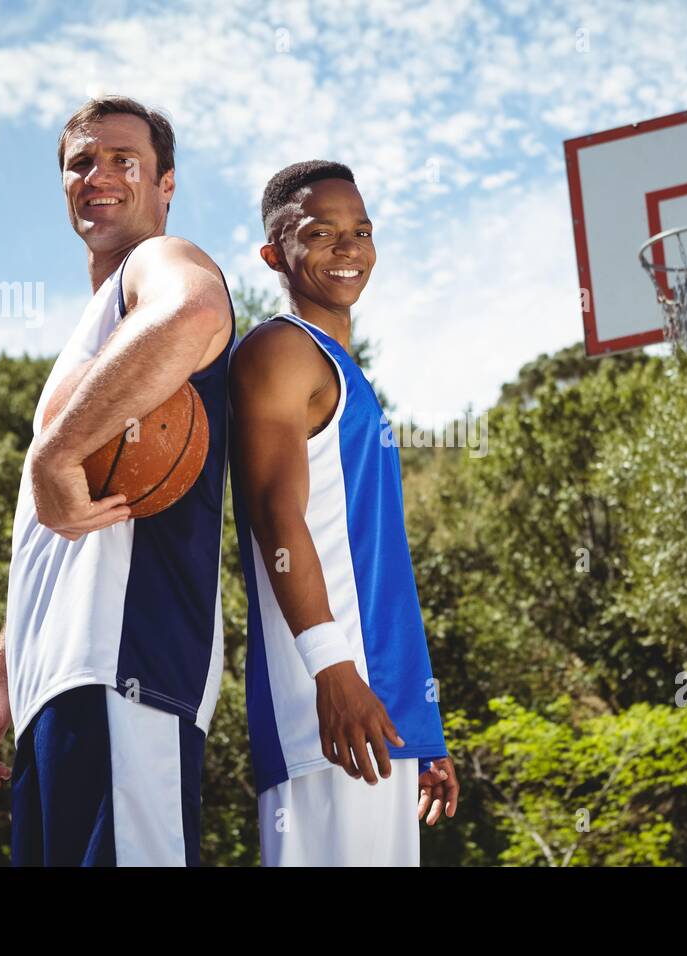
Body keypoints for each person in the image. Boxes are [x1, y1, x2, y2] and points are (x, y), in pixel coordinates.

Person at [0, 96, 234, 866]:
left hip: (130, 669)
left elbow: (197, 311)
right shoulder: (93, 333)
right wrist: (4, 670)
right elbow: (63, 533)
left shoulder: (158, 264)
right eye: (82, 162)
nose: (99, 174)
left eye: (124, 159)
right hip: (60, 680)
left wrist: (52, 454)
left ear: (165, 182)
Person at [228, 160, 459, 866]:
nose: (348, 248)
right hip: (324, 712)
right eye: (321, 232)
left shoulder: (345, 375)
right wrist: (332, 671)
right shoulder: (279, 350)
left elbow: (377, 568)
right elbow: (277, 516)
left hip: (379, 711)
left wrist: (423, 732)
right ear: (274, 254)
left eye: (360, 231)